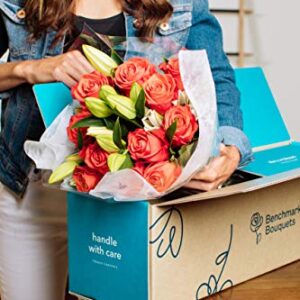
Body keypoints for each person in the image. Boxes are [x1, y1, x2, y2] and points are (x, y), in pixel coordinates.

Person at [0, 0, 252, 299]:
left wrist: (231, 149)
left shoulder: (182, 3)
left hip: (134, 203)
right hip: (33, 195)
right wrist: (31, 69)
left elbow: (217, 77)